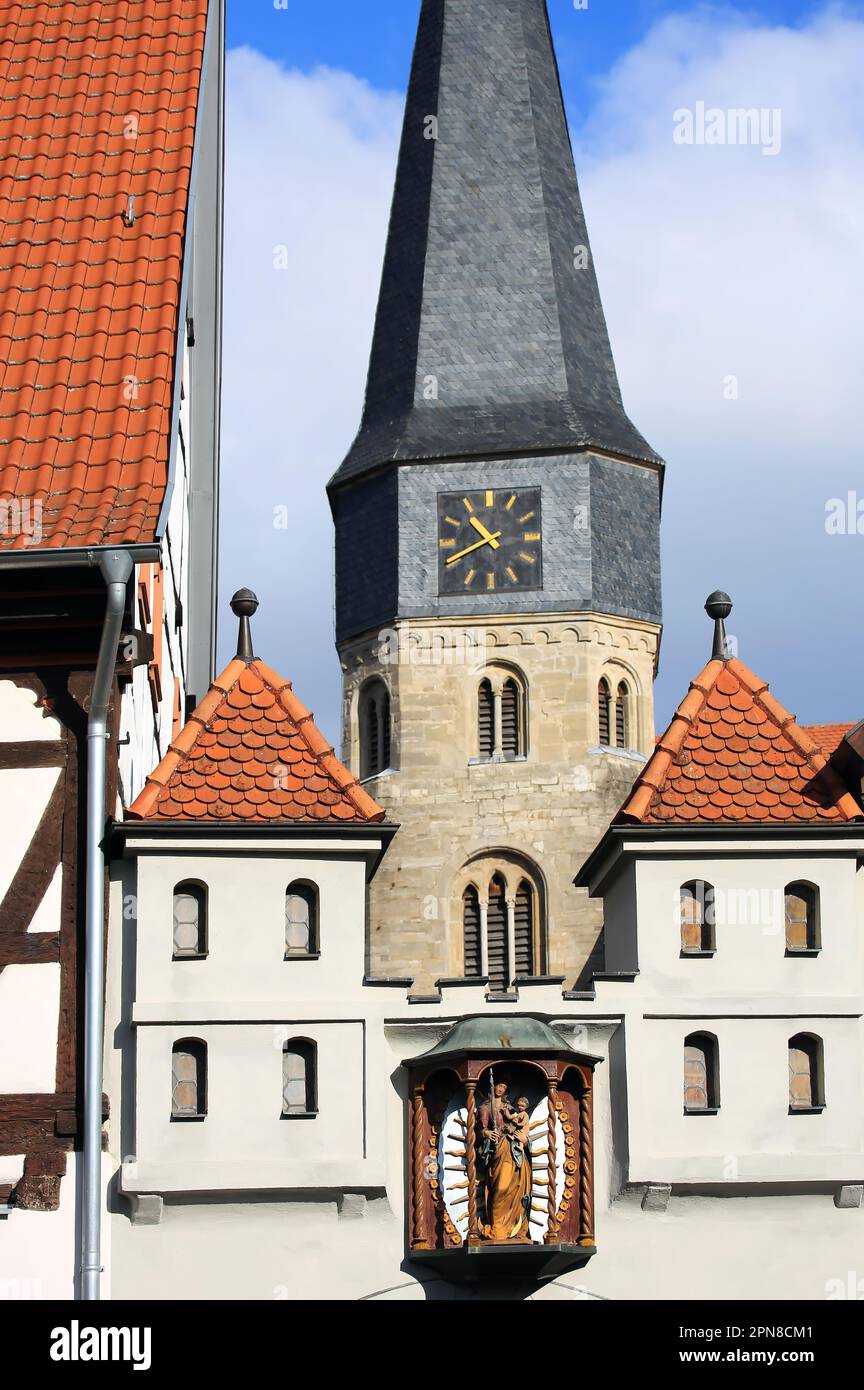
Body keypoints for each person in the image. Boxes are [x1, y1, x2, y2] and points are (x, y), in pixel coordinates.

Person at [476, 1080, 533, 1242]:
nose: (500, 1089)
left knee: (516, 1187)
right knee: (500, 1187)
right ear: (492, 1088)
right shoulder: (484, 1108)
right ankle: (497, 1227)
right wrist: (486, 1133)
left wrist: (522, 1137)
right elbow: (480, 1130)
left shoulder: (511, 1109)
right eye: (498, 1086)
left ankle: (513, 1227)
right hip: (498, 1149)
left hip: (513, 1149)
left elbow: (521, 1127)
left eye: (503, 1087)